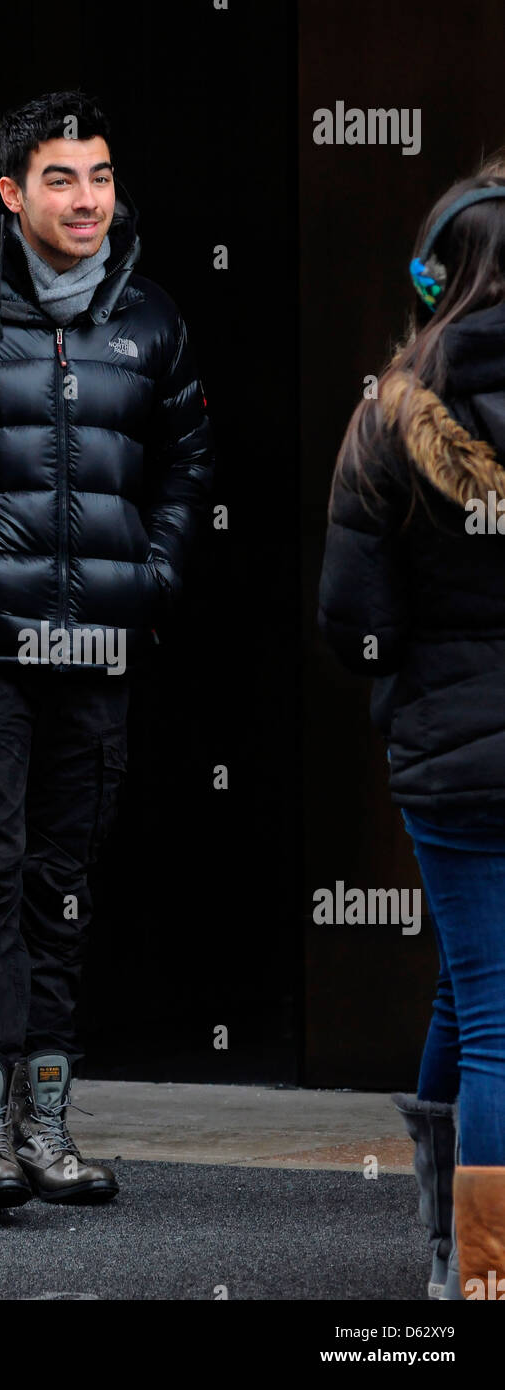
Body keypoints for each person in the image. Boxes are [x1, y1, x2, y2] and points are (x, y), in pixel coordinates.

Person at [0, 90, 213, 1215]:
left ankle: (47, 1127)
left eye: (100, 176)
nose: (86, 200)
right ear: (9, 192)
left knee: (61, 889)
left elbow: (186, 464)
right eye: (60, 179)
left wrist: (151, 575)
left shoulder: (149, 318)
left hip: (96, 654)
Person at [319, 157, 505, 1300]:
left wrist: (406, 700)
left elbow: (351, 624)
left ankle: (457, 1251)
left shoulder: (383, 417)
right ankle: (480, 1262)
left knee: (474, 997)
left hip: (445, 764)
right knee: (487, 1005)